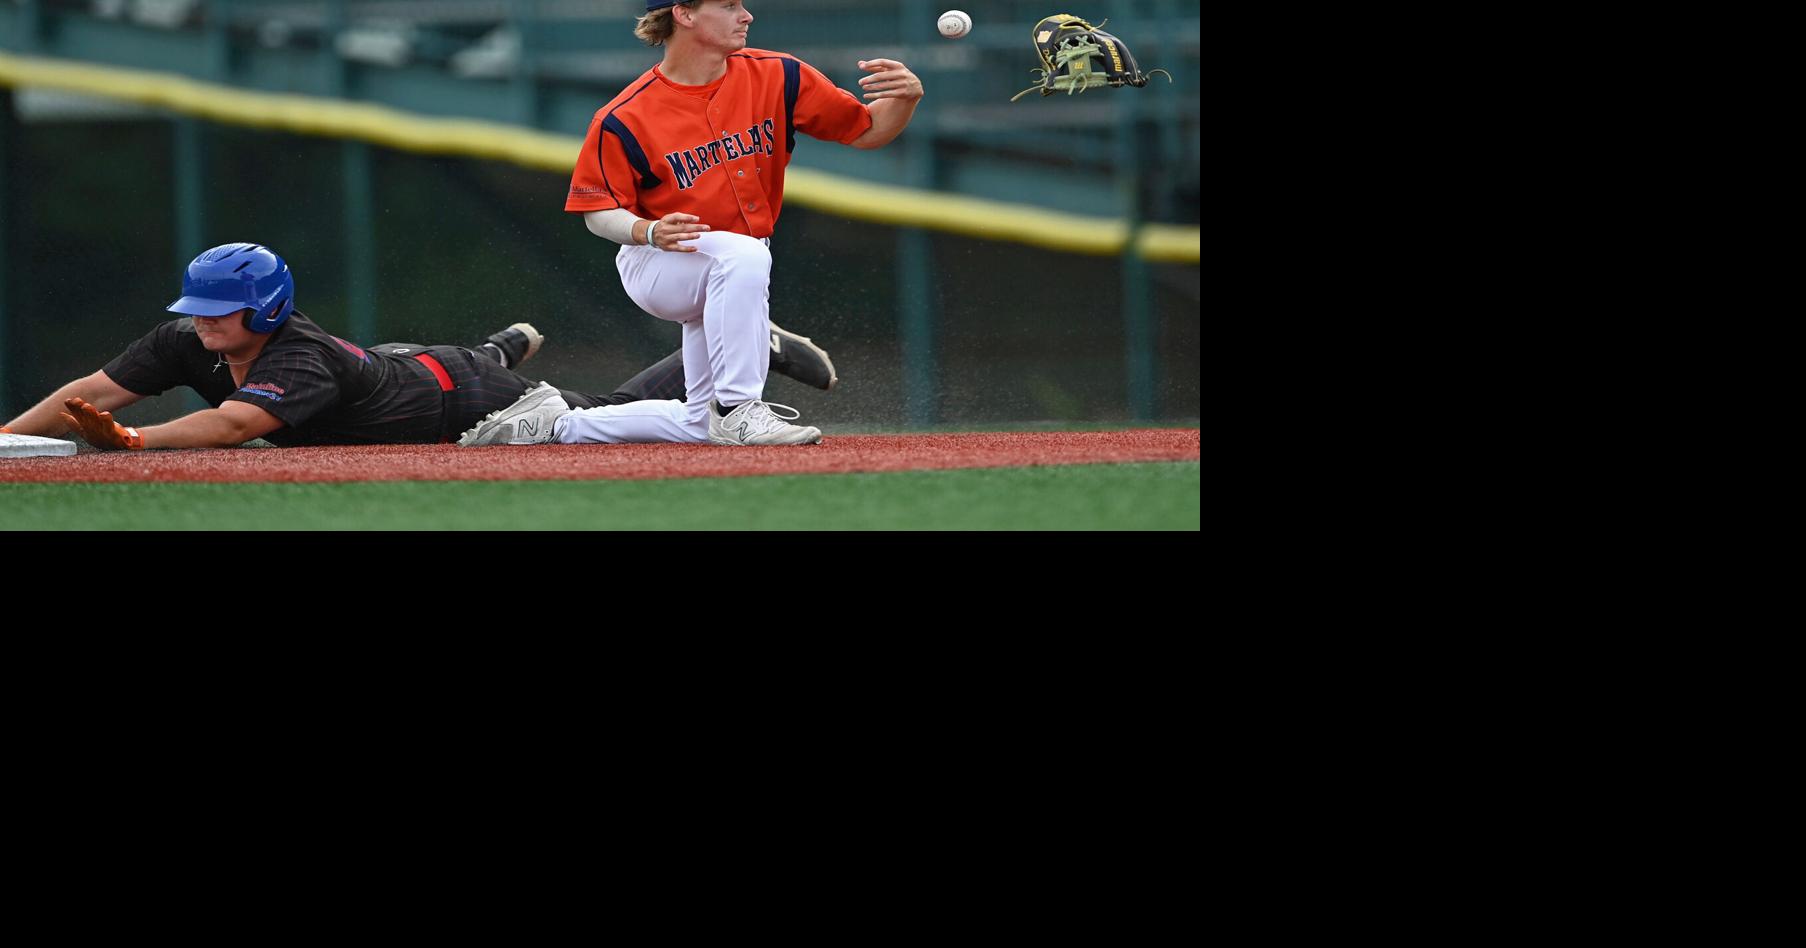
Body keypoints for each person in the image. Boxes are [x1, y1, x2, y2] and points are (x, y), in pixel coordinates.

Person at [469, 0, 922, 448]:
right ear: (683, 14)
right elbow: (598, 211)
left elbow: (866, 131)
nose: (746, 15)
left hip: (733, 266)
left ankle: (552, 423)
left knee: (695, 419)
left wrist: (905, 99)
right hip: (658, 261)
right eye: (728, 5)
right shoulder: (625, 115)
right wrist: (647, 231)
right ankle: (740, 410)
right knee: (743, 256)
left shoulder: (779, 74)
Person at [0, 241, 839, 450]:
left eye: (222, 312)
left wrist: (140, 441)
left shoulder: (296, 353)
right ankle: (500, 344)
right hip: (415, 370)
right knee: (410, 358)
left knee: (610, 416)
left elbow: (229, 427)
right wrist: (8, 439)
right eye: (198, 312)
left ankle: (750, 345)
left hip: (474, 406)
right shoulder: (188, 337)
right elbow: (97, 389)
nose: (204, 325)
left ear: (268, 309)